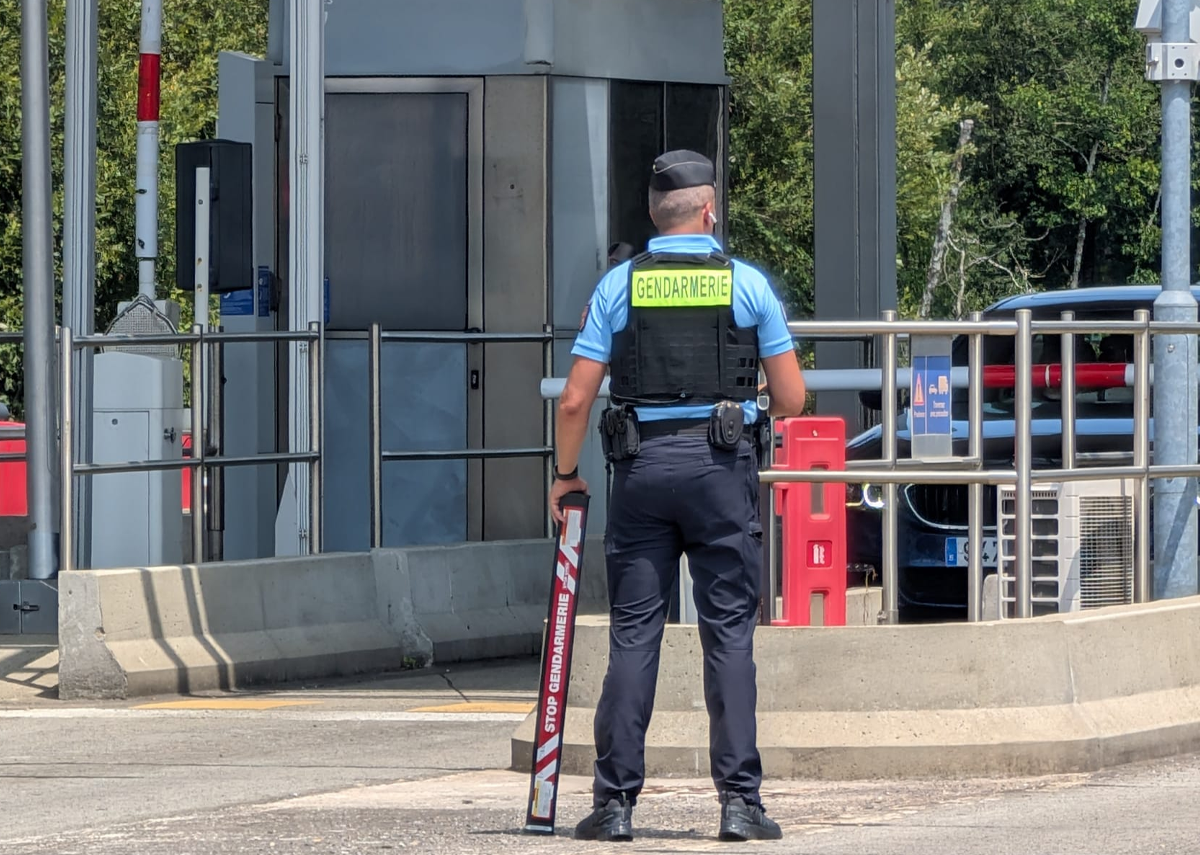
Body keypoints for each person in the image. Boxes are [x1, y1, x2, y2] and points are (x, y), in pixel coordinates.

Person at [548, 149, 807, 843]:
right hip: (722, 471)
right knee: (728, 635)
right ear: (710, 209)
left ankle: (615, 805)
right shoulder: (745, 284)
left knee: (635, 633)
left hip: (641, 473)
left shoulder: (619, 286)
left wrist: (565, 474)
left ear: (655, 215)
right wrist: (741, 394)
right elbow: (792, 397)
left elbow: (575, 398)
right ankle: (740, 804)